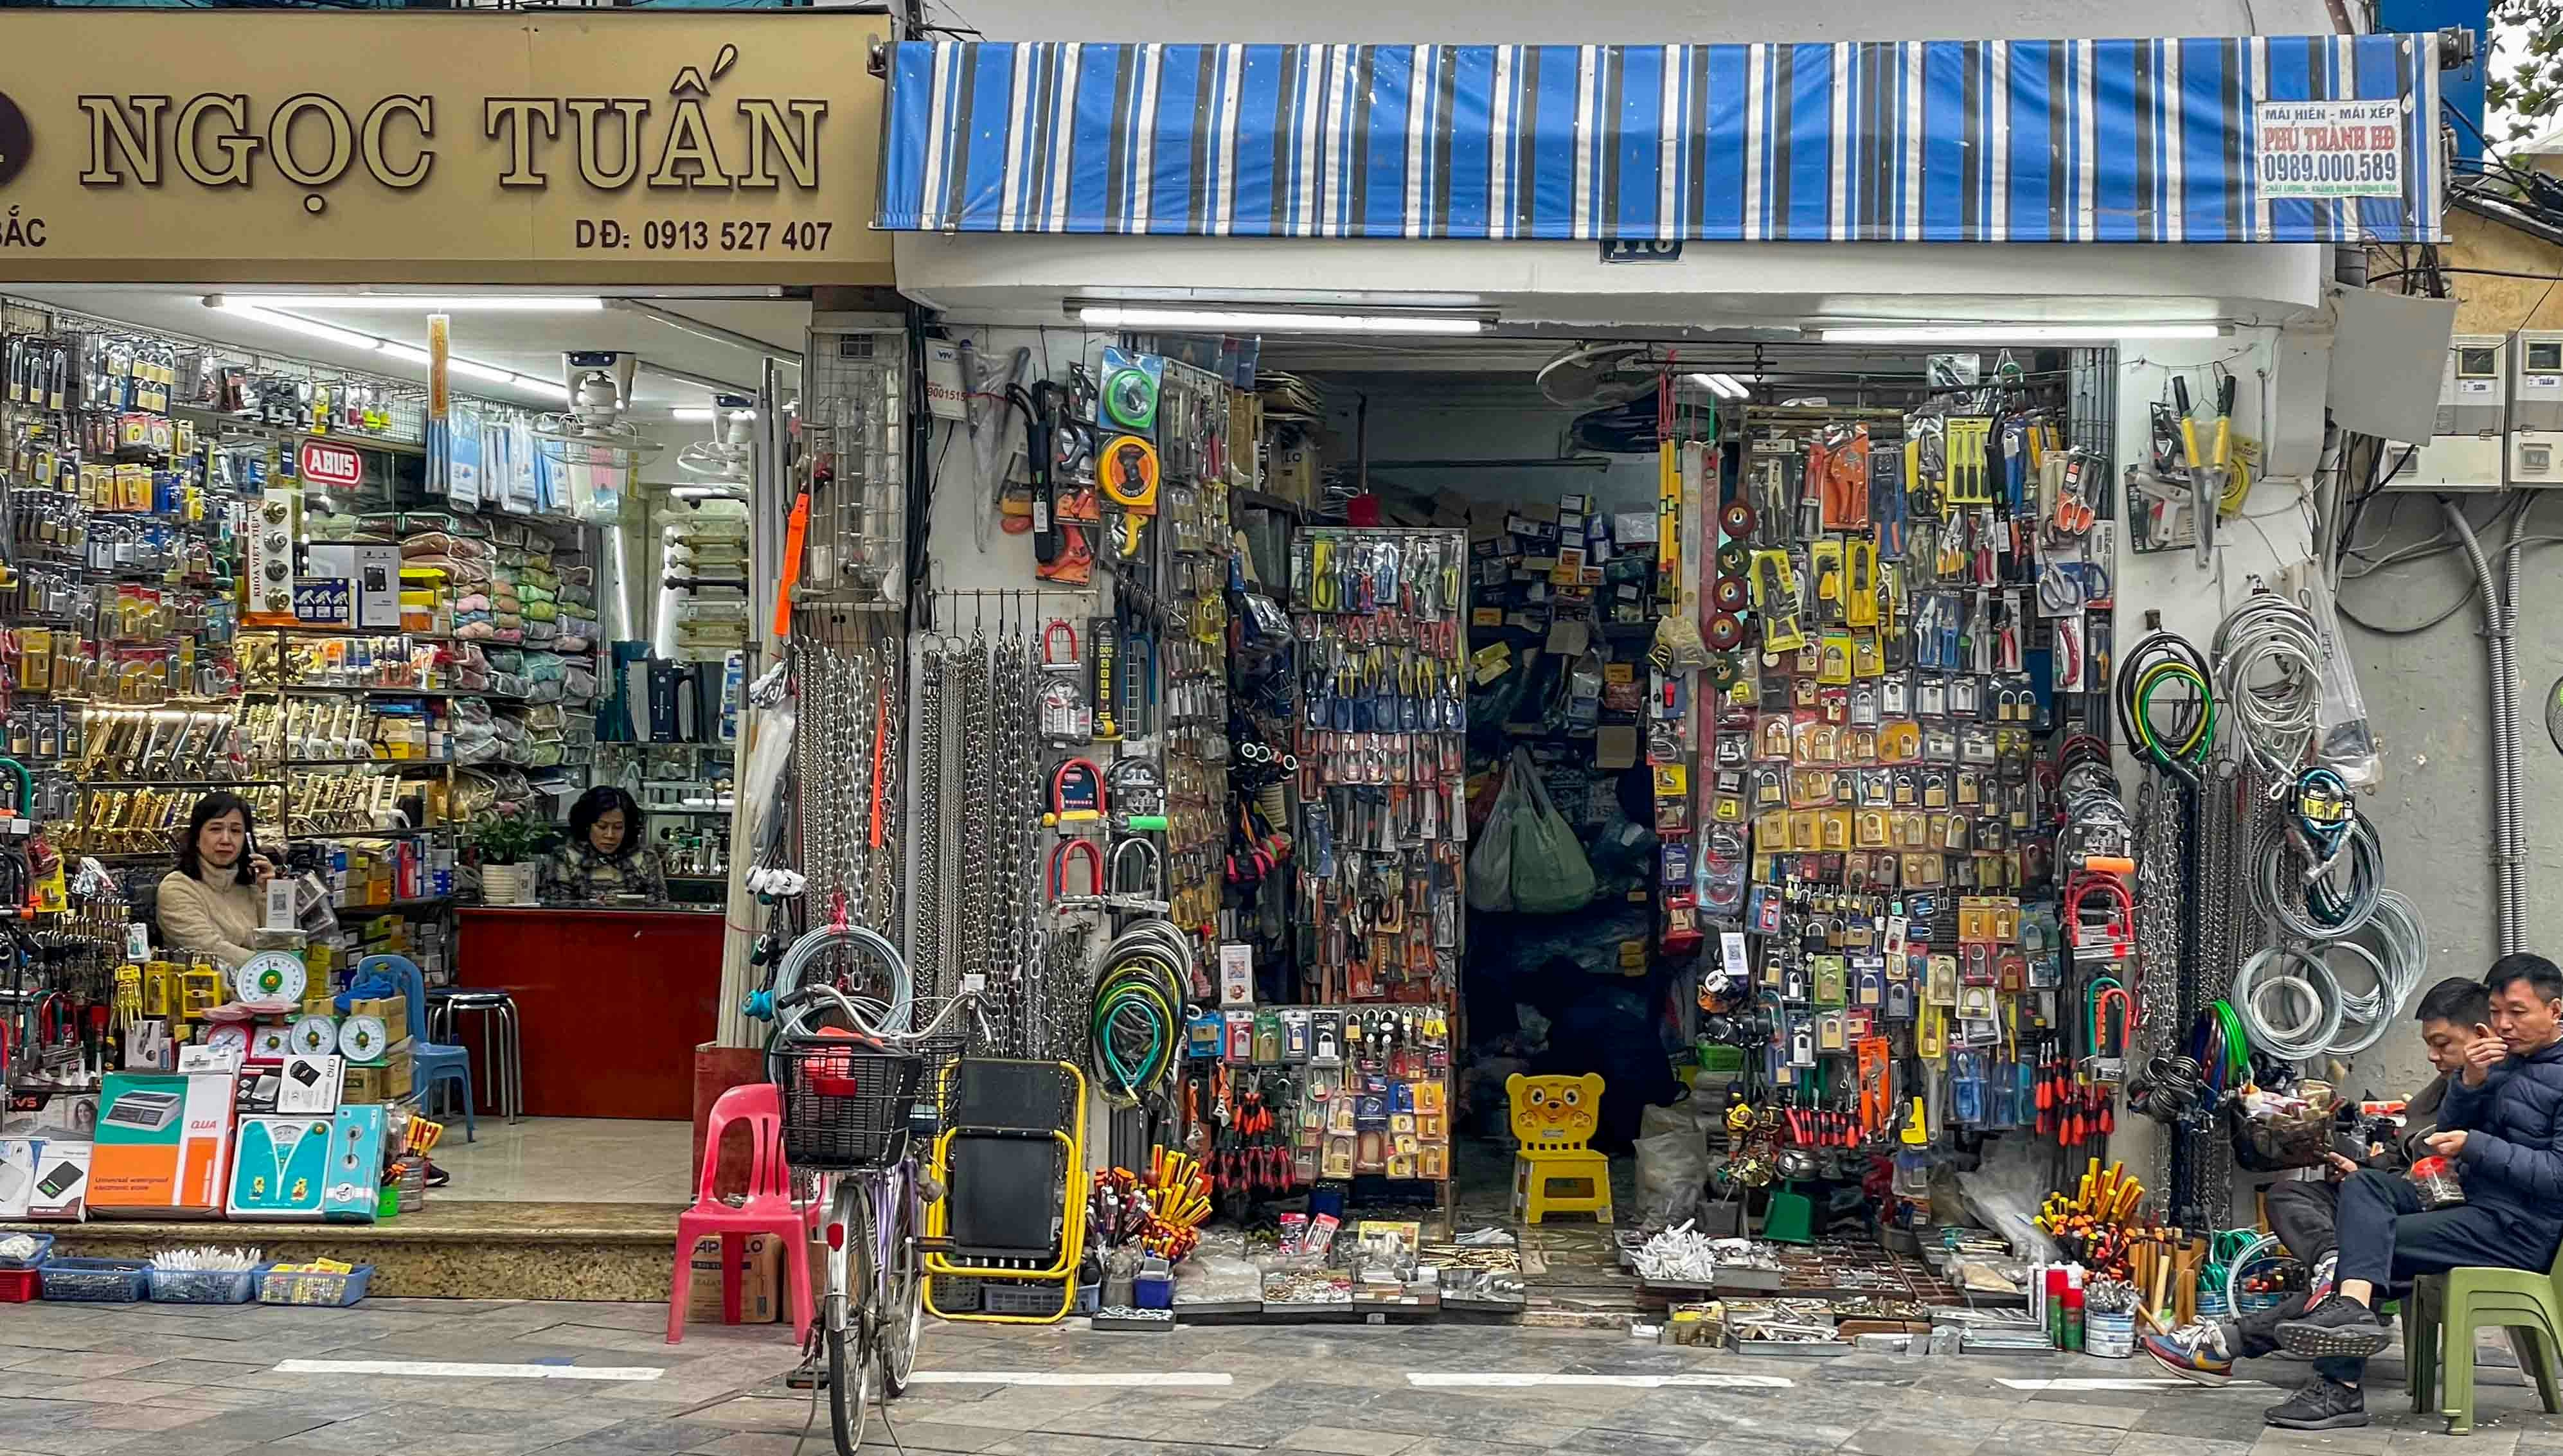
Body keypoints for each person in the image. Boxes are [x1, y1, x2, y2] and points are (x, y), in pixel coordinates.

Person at [2256, 953, 2563, 1431]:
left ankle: (2339, 1388)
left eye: (2517, 1013)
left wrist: (2476, 1145)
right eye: (2498, 1012)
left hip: (2517, 1227)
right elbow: (2452, 1130)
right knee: (2365, 1187)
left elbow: (2557, 1177)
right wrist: (2471, 1083)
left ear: (2556, 1012)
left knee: (2373, 1243)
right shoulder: (2500, 1061)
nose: (2504, 1024)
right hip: (2473, 1203)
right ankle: (2354, 1310)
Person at [2142, 975, 2488, 1389]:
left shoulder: (2492, 1092)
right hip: (2384, 1202)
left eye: (2442, 1043)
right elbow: (2400, 1158)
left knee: (2353, 1266)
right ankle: (2330, 1260)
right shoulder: (2442, 1090)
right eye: (2428, 1044)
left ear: (2480, 1034)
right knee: (2290, 1194)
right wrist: (2363, 1170)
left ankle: (2228, 1345)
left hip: (2431, 1217)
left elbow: (2459, 1180)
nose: (2432, 1055)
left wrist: (2378, 1185)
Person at [156, 792, 277, 970]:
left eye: (236, 831)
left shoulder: (249, 886)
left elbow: (279, 942)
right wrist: (273, 966)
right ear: (197, 838)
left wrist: (271, 893)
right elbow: (209, 948)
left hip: (262, 987)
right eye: (215, 829)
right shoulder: (177, 888)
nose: (226, 840)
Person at [540, 786, 668, 903]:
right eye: (602, 827)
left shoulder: (646, 858)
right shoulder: (565, 858)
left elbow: (659, 909)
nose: (610, 835)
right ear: (587, 826)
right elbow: (559, 912)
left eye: (618, 828)